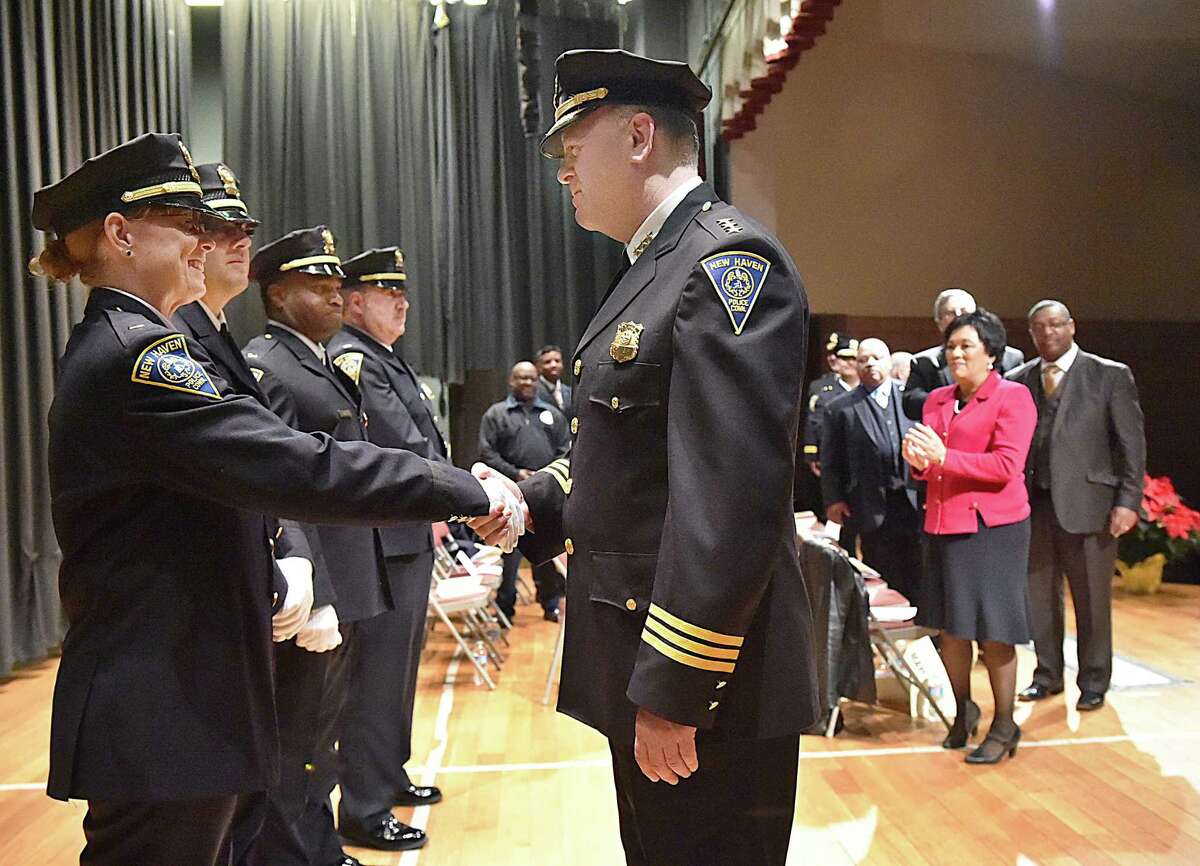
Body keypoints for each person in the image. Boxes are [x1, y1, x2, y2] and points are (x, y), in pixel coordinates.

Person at [30, 133, 517, 866]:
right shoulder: (139, 357)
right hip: (163, 704)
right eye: (184, 224)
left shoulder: (140, 344)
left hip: (184, 693)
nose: (203, 242)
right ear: (121, 234)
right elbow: (297, 465)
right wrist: (461, 487)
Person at [475, 49, 820, 865]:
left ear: (638, 137)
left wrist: (677, 688)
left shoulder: (726, 265)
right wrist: (531, 499)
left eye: (571, 150)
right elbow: (629, 453)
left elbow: (730, 504)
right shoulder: (658, 265)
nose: (563, 172)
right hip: (640, 662)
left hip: (702, 685)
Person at [329, 247, 446, 850]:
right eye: (387, 293)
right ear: (355, 302)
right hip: (382, 541)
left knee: (398, 672)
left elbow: (424, 437)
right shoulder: (354, 358)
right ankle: (365, 808)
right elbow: (403, 442)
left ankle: (389, 774)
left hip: (406, 533)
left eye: (402, 292)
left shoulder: (384, 358)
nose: (402, 302)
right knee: (375, 677)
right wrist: (457, 492)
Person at [902, 308, 1037, 764]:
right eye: (951, 347)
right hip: (942, 525)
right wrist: (919, 463)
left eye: (966, 346)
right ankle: (963, 711)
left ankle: (1005, 725)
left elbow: (1006, 466)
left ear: (991, 354)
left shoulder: (1013, 397)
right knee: (951, 632)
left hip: (992, 531)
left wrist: (943, 456)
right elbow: (930, 469)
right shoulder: (936, 400)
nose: (956, 354)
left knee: (994, 634)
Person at [1008, 300, 1145, 712]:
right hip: (1034, 507)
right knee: (1039, 599)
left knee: (1092, 601)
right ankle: (1047, 675)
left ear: (1072, 326)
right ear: (1030, 333)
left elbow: (1131, 445)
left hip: (1092, 507)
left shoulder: (1109, 375)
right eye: (1039, 327)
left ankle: (1094, 680)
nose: (1047, 333)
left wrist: (1128, 501)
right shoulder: (1018, 380)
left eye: (1055, 324)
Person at [820, 339, 922, 601]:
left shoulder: (911, 398)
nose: (870, 364)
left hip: (912, 501)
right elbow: (831, 460)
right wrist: (834, 499)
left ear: (889, 361)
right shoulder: (840, 408)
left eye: (876, 358)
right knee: (881, 571)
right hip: (870, 504)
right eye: (863, 360)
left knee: (919, 571)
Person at [479, 361, 570, 620]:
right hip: (509, 498)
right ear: (511, 381)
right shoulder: (496, 414)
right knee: (509, 559)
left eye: (532, 378)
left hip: (545, 497)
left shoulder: (553, 414)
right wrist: (517, 473)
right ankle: (505, 609)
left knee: (548, 558)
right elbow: (487, 452)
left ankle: (550, 606)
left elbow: (566, 449)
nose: (527, 382)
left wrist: (543, 479)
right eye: (522, 378)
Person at [903, 288, 1025, 421]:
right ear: (939, 323)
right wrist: (955, 401)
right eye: (950, 313)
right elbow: (911, 403)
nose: (958, 316)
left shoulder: (1010, 358)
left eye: (964, 311)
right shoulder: (925, 361)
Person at [801, 333, 859, 476]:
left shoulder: (868, 388)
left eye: (853, 358)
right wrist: (812, 454)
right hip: (834, 454)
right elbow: (814, 422)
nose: (849, 363)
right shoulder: (824, 389)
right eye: (844, 358)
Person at [535, 343, 573, 415]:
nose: (553, 365)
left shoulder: (570, 392)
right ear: (538, 366)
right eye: (547, 362)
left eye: (557, 361)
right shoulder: (533, 392)